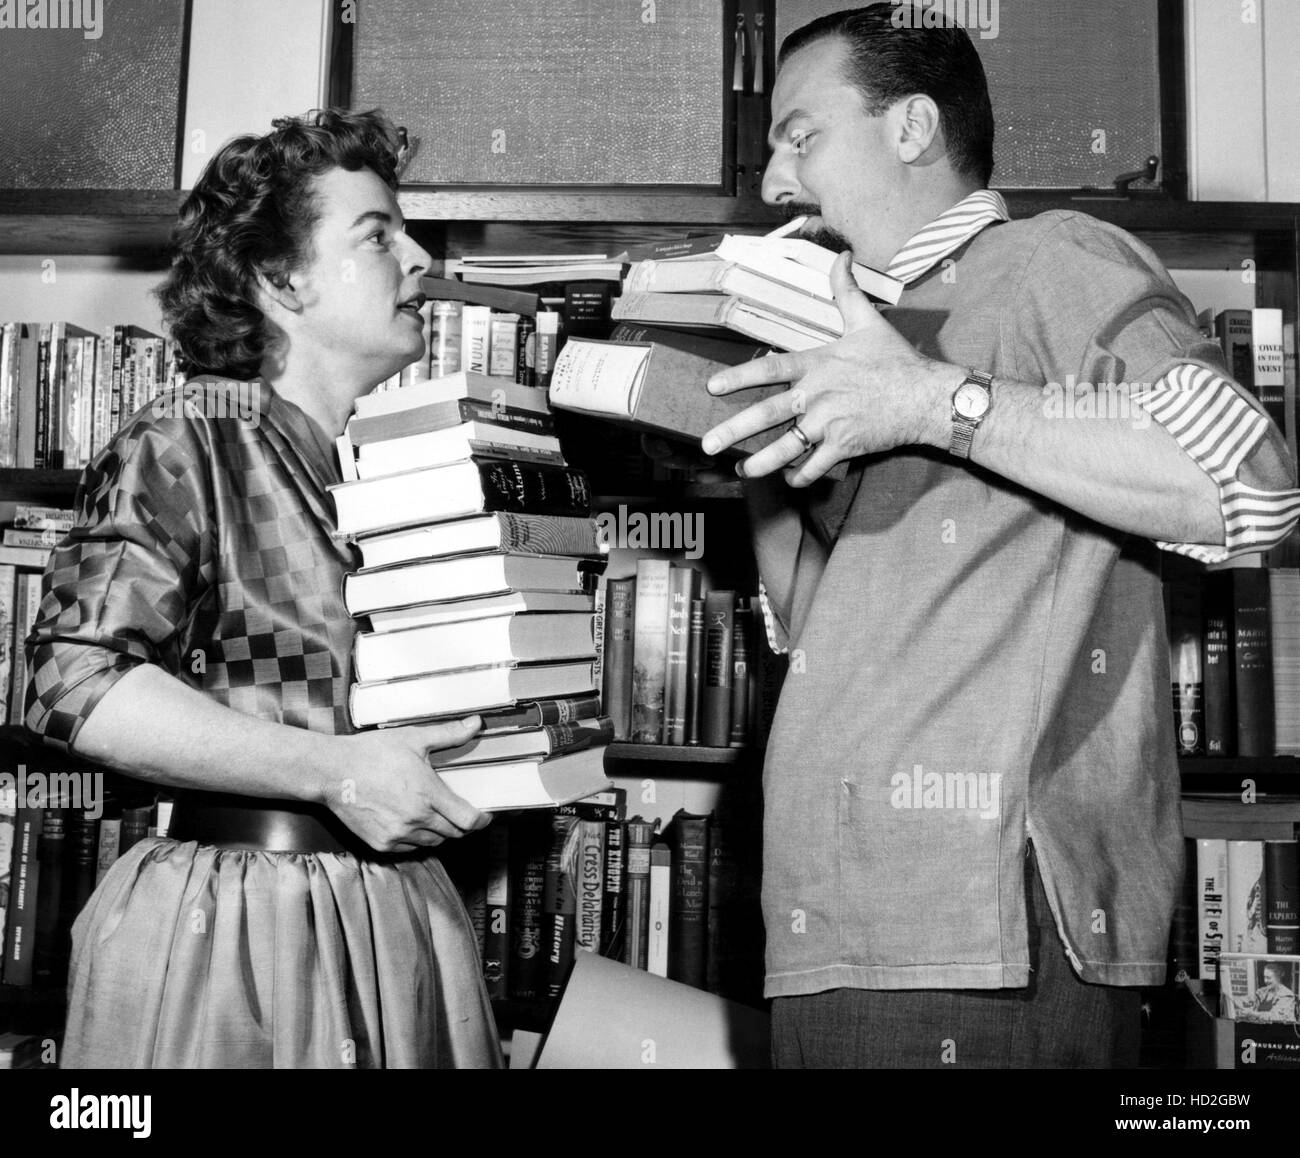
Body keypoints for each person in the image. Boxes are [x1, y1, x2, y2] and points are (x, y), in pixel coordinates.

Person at [700, 5, 1300, 1067]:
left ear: (912, 126)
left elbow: (1243, 480)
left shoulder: (1050, 258)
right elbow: (809, 626)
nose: (775, 186)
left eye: (799, 136)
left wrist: (936, 405)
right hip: (832, 919)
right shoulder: (867, 345)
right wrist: (752, 447)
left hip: (984, 929)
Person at [24, 109, 503, 1069]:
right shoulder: (188, 435)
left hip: (403, 907)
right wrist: (338, 772)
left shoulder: (397, 465)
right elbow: (70, 684)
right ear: (278, 278)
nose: (420, 259)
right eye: (378, 234)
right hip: (235, 924)